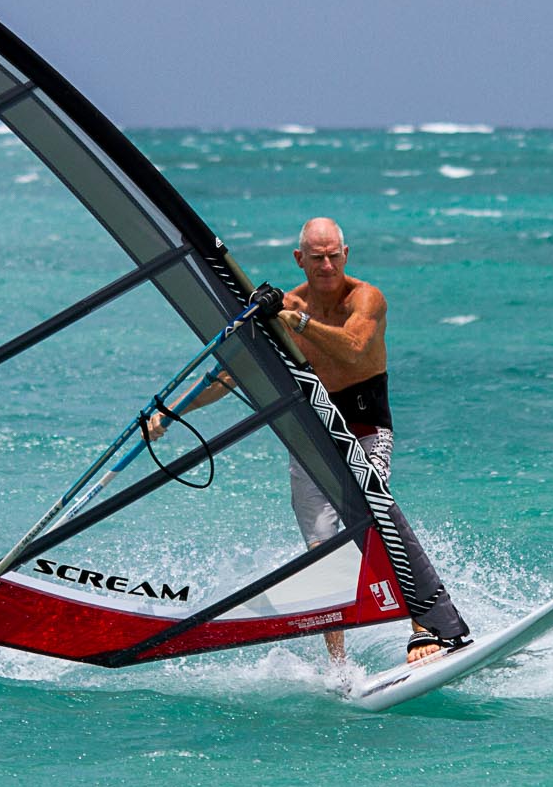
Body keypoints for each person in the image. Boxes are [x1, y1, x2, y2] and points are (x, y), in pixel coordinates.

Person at [149, 217, 469, 665]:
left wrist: (295, 322)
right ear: (299, 259)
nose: (326, 264)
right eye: (316, 256)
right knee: (321, 548)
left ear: (346, 254)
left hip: (364, 429)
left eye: (333, 254)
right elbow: (226, 376)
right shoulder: (285, 309)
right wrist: (170, 413)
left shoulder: (364, 298)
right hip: (309, 436)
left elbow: (354, 347)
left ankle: (423, 627)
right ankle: (339, 666)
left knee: (373, 521)